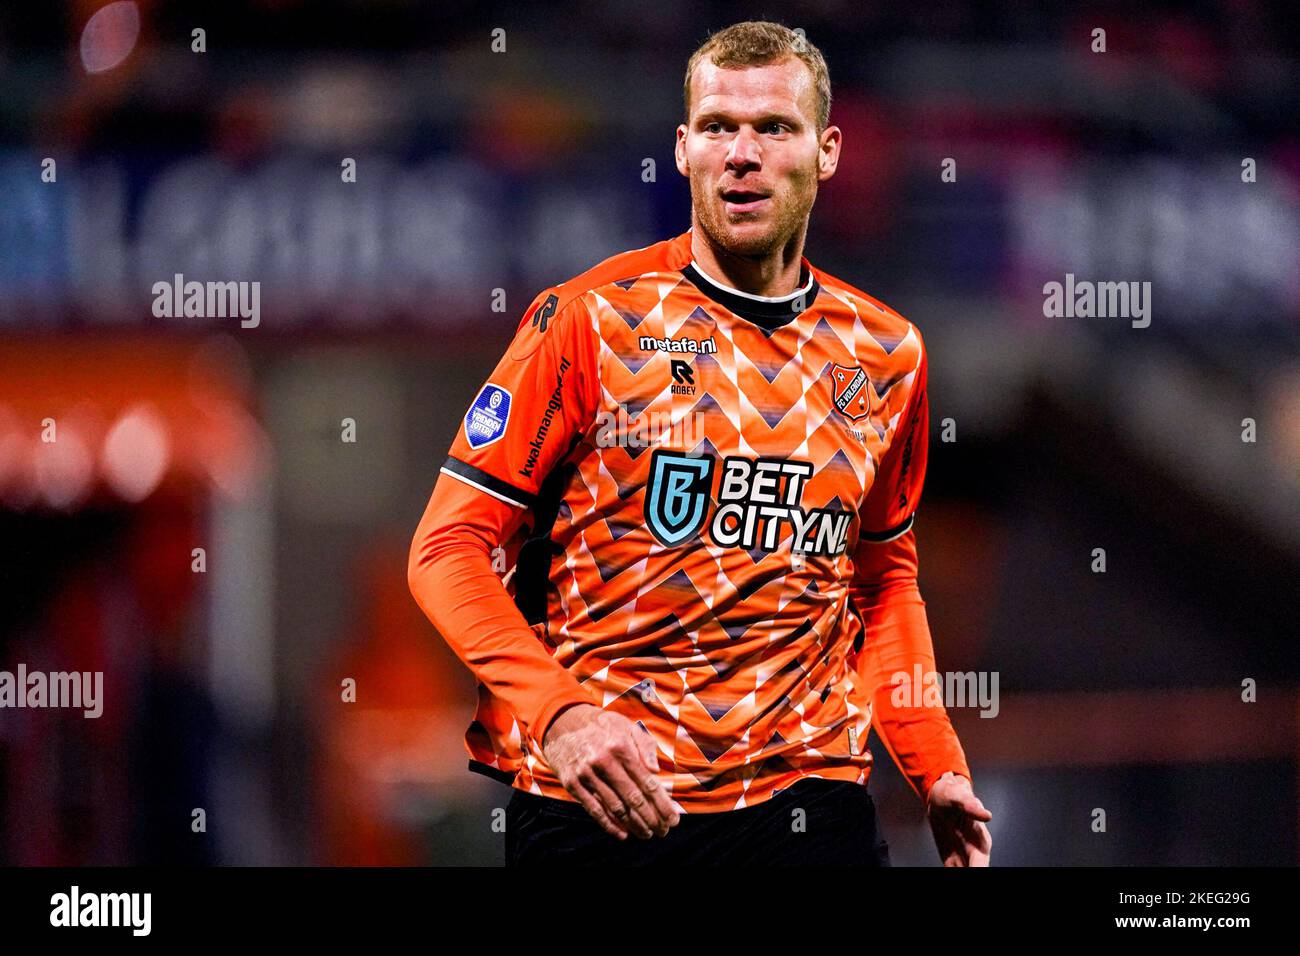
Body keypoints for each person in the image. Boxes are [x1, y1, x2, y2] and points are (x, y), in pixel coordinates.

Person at [409, 19, 992, 866]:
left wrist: (933, 761)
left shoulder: (888, 353)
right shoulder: (588, 322)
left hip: (808, 800)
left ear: (827, 151)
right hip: (605, 801)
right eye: (719, 127)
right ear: (683, 150)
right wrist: (561, 715)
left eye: (774, 128)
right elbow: (447, 548)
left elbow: (883, 583)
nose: (742, 154)